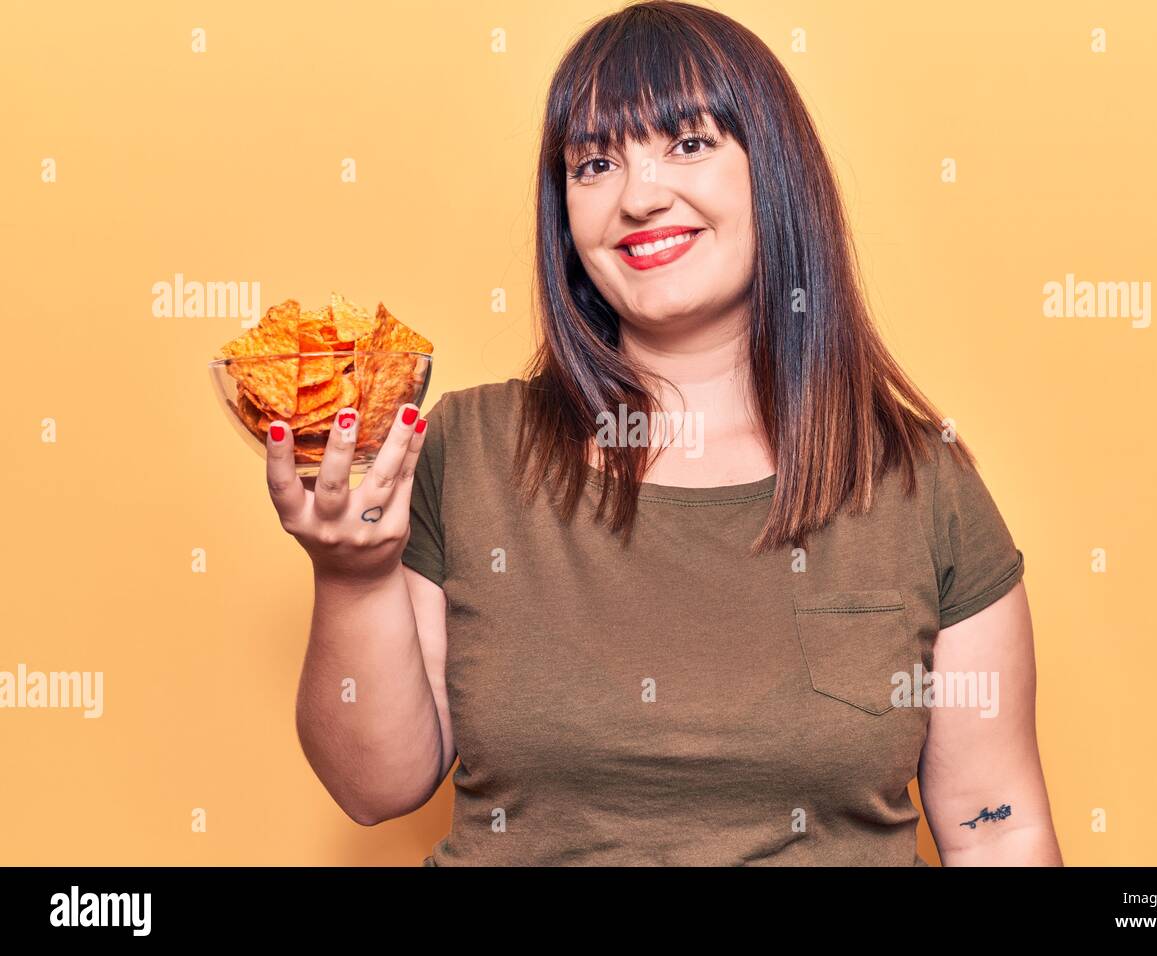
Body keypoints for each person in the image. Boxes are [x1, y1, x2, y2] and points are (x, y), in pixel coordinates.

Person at [268, 0, 1062, 866]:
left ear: (777, 173)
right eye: (596, 163)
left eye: (689, 143)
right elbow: (375, 789)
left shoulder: (919, 479)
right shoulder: (465, 446)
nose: (639, 197)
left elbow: (999, 824)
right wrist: (350, 576)